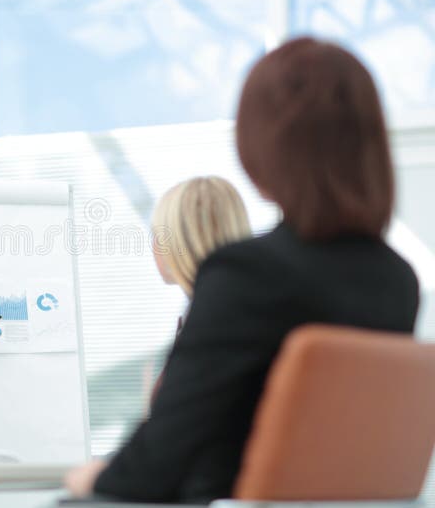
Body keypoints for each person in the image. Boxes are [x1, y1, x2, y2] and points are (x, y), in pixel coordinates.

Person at [65, 37, 420, 503]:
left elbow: (152, 469)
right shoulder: (397, 283)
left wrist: (90, 478)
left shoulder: (248, 276)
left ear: (260, 149)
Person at [147, 176, 251, 403]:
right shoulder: (248, 313)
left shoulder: (212, 332)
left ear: (179, 242)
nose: (152, 246)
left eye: (155, 234)